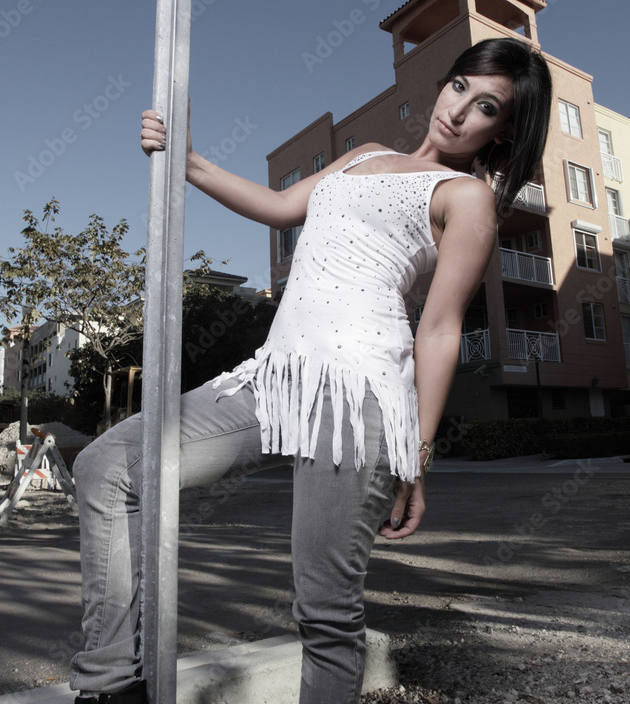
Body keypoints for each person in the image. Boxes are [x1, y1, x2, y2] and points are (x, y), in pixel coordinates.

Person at [69, 37, 552, 704]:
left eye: (487, 105)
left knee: (324, 614)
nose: (460, 108)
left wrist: (419, 455)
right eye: (461, 85)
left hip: (359, 403)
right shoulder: (364, 156)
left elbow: (438, 331)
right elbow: (278, 208)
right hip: (273, 379)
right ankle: (111, 685)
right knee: (108, 467)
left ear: (503, 131)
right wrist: (187, 163)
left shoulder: (466, 198)